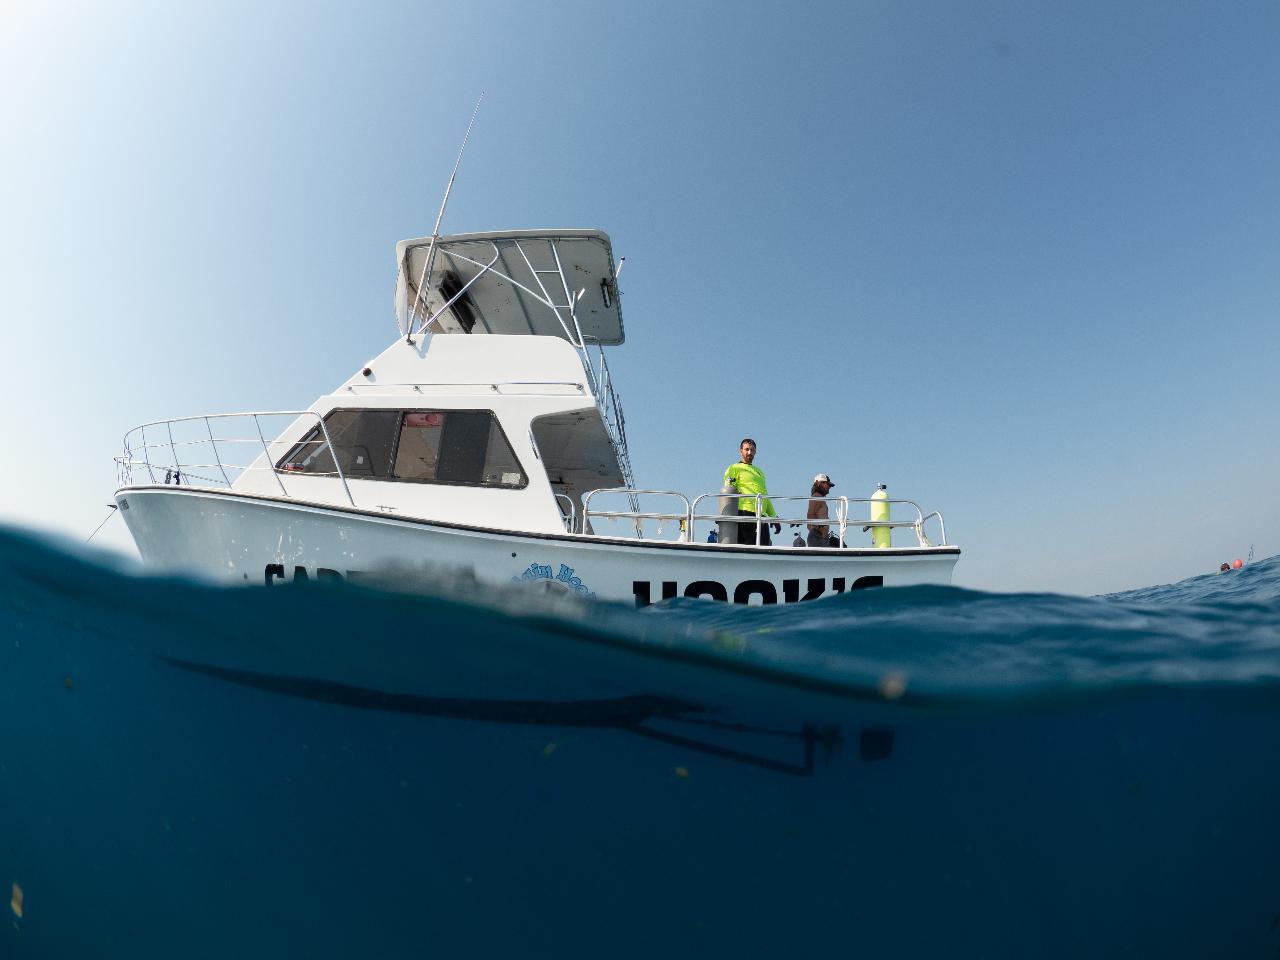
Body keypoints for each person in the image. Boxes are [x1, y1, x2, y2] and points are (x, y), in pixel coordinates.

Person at [724, 438, 780, 545]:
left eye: (752, 450)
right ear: (741, 451)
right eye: (747, 449)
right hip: (744, 513)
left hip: (761, 515)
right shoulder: (733, 468)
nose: (750, 452)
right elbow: (728, 490)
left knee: (764, 549)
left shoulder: (760, 472)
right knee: (745, 549)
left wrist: (774, 516)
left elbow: (764, 495)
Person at [807, 474, 837, 547]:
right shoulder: (816, 497)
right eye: (828, 485)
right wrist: (822, 530)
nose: (829, 488)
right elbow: (810, 516)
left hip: (819, 535)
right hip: (817, 536)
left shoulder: (819, 497)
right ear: (821, 483)